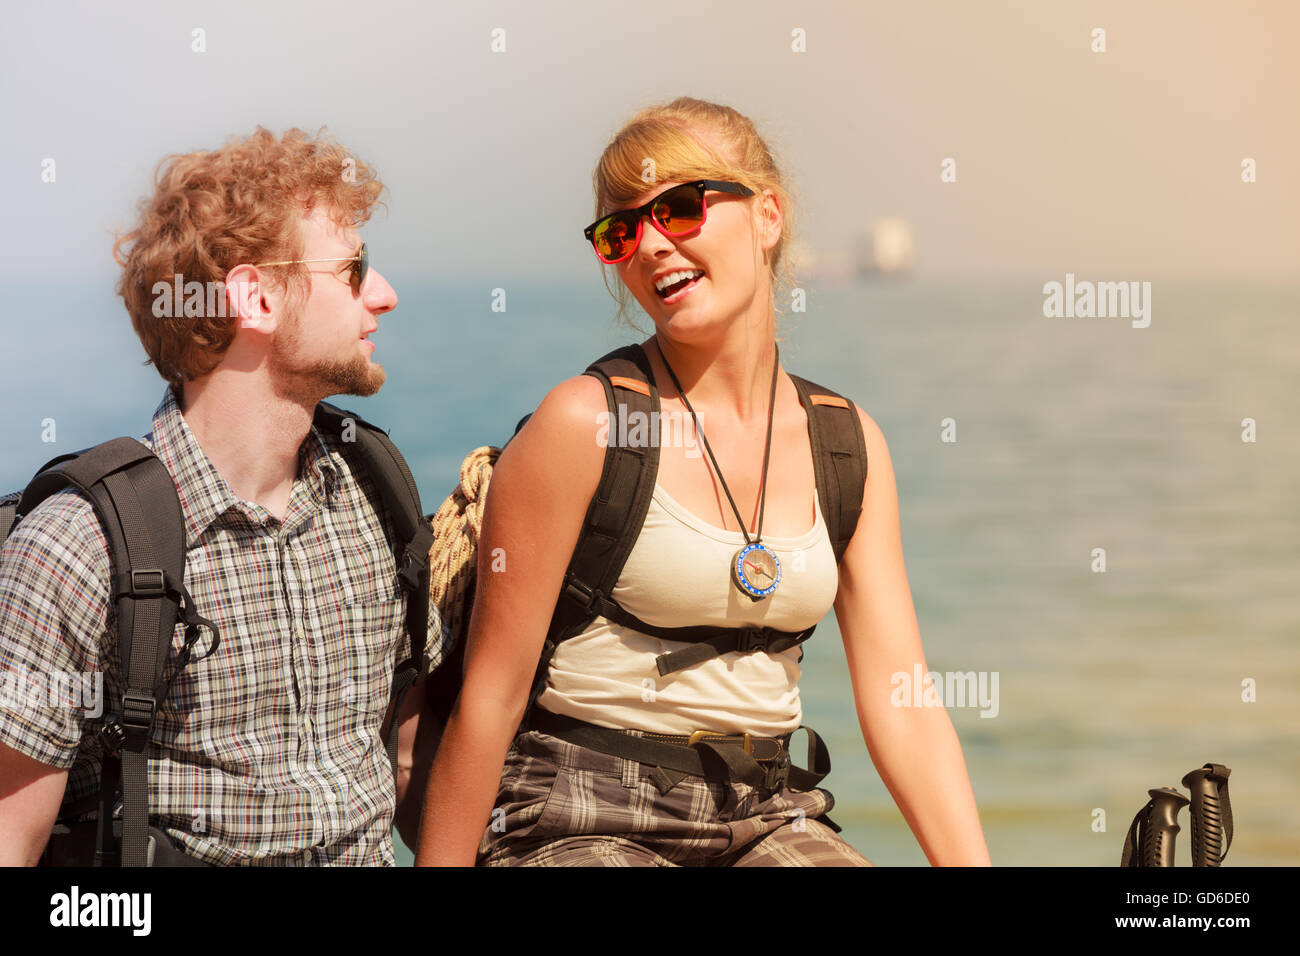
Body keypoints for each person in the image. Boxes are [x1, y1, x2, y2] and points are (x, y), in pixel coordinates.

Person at [415, 98, 991, 866]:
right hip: (579, 813)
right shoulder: (584, 424)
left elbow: (903, 705)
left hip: (769, 812)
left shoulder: (848, 446)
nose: (650, 245)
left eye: (680, 209)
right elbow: (489, 700)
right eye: (621, 231)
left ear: (768, 216)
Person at [0, 127, 438, 866]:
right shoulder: (78, 548)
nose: (385, 295)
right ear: (255, 296)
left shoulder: (375, 492)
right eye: (353, 269)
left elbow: (406, 756)